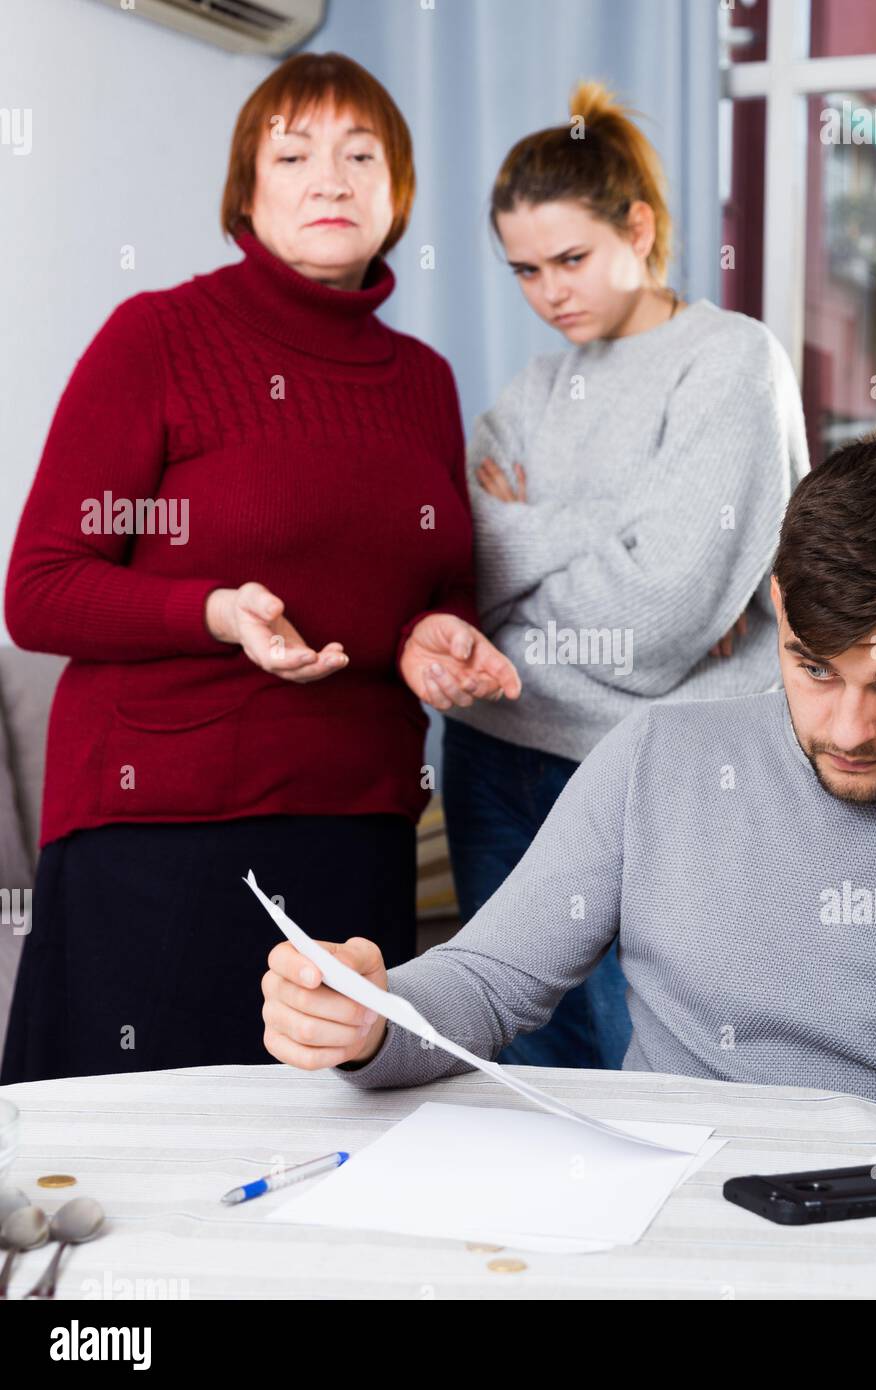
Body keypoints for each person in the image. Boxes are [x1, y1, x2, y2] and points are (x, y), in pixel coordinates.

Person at [261, 434, 876, 1148]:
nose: (846, 730)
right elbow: (492, 982)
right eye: (813, 668)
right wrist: (370, 1022)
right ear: (777, 607)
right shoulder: (657, 756)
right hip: (672, 1221)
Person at [1, 53, 518, 1085]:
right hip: (163, 829)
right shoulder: (156, 336)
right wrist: (214, 611)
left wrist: (434, 634)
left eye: (360, 155)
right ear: (247, 192)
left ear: (396, 194)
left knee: (330, 1143)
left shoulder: (423, 379)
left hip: (357, 823)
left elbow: (439, 578)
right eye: (295, 154)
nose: (330, 178)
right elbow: (39, 587)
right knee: (148, 1161)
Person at [433, 81, 809, 1069]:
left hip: (647, 763)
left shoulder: (731, 362)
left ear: (636, 227)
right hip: (489, 751)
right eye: (523, 269)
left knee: (647, 1065)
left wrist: (527, 534)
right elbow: (457, 563)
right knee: (514, 1065)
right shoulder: (532, 388)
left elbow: (653, 623)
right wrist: (621, 526)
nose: (550, 291)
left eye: (570, 258)